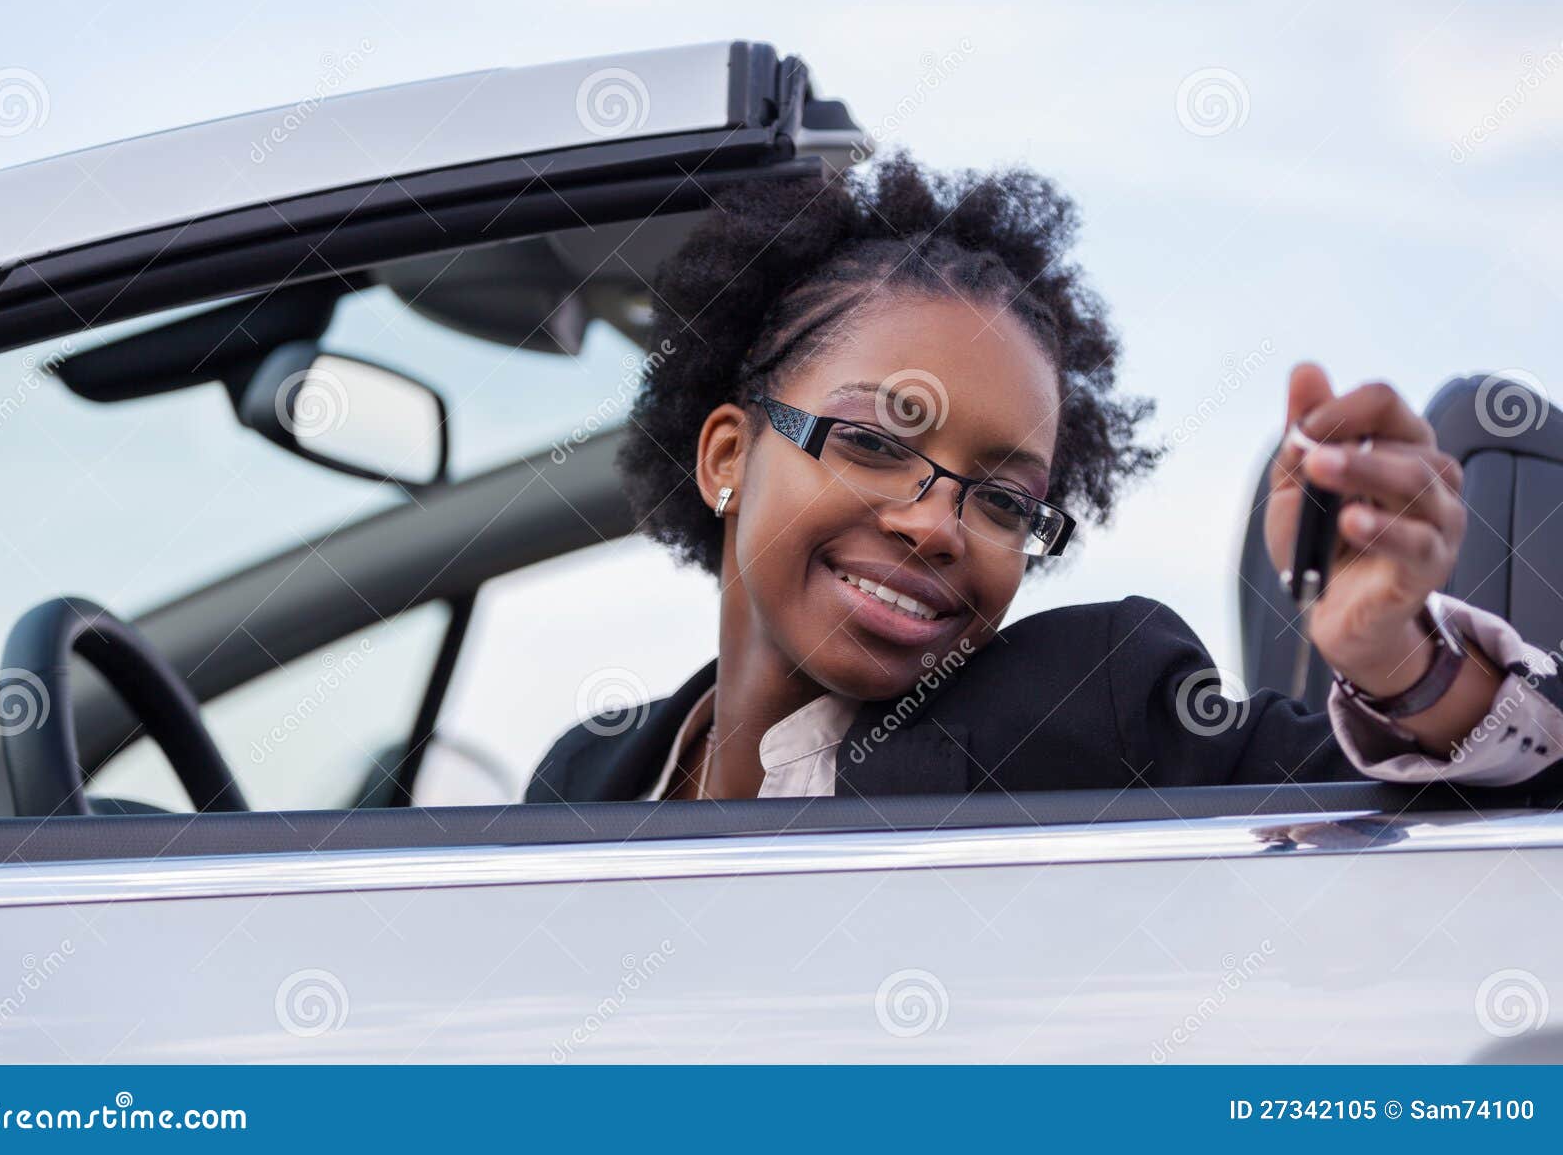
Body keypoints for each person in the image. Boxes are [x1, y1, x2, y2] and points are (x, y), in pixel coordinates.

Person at [526, 152, 1562, 804]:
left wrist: (1402, 663)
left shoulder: (1088, 711)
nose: (938, 525)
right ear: (723, 458)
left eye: (1005, 499)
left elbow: (1483, 804)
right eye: (877, 442)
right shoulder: (583, 776)